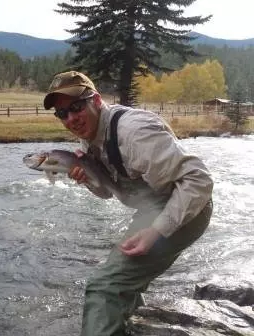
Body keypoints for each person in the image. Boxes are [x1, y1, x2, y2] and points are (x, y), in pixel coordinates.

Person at [43, 71, 213, 336]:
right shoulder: (88, 135)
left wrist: (157, 230)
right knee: (122, 276)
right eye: (62, 114)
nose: (71, 119)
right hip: (152, 207)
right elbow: (109, 193)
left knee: (104, 286)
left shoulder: (133, 132)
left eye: (76, 107)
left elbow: (199, 181)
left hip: (188, 205)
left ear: (96, 100)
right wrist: (87, 179)